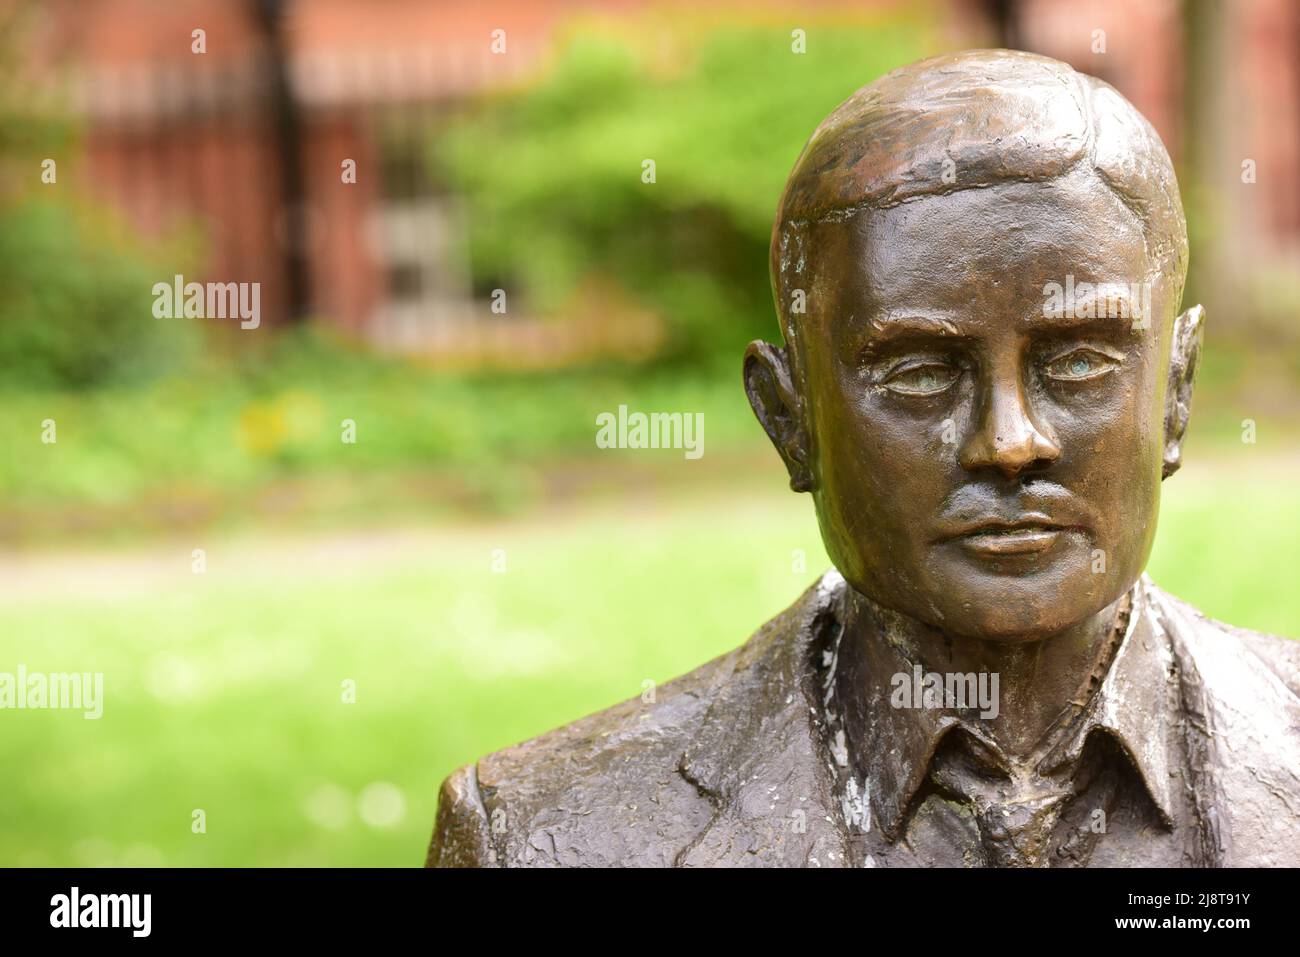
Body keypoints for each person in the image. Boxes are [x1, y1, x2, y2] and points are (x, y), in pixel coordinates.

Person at [427, 49, 1300, 868]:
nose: (1009, 442)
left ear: (1176, 391)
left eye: (1079, 362)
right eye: (919, 373)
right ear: (789, 417)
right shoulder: (543, 832)